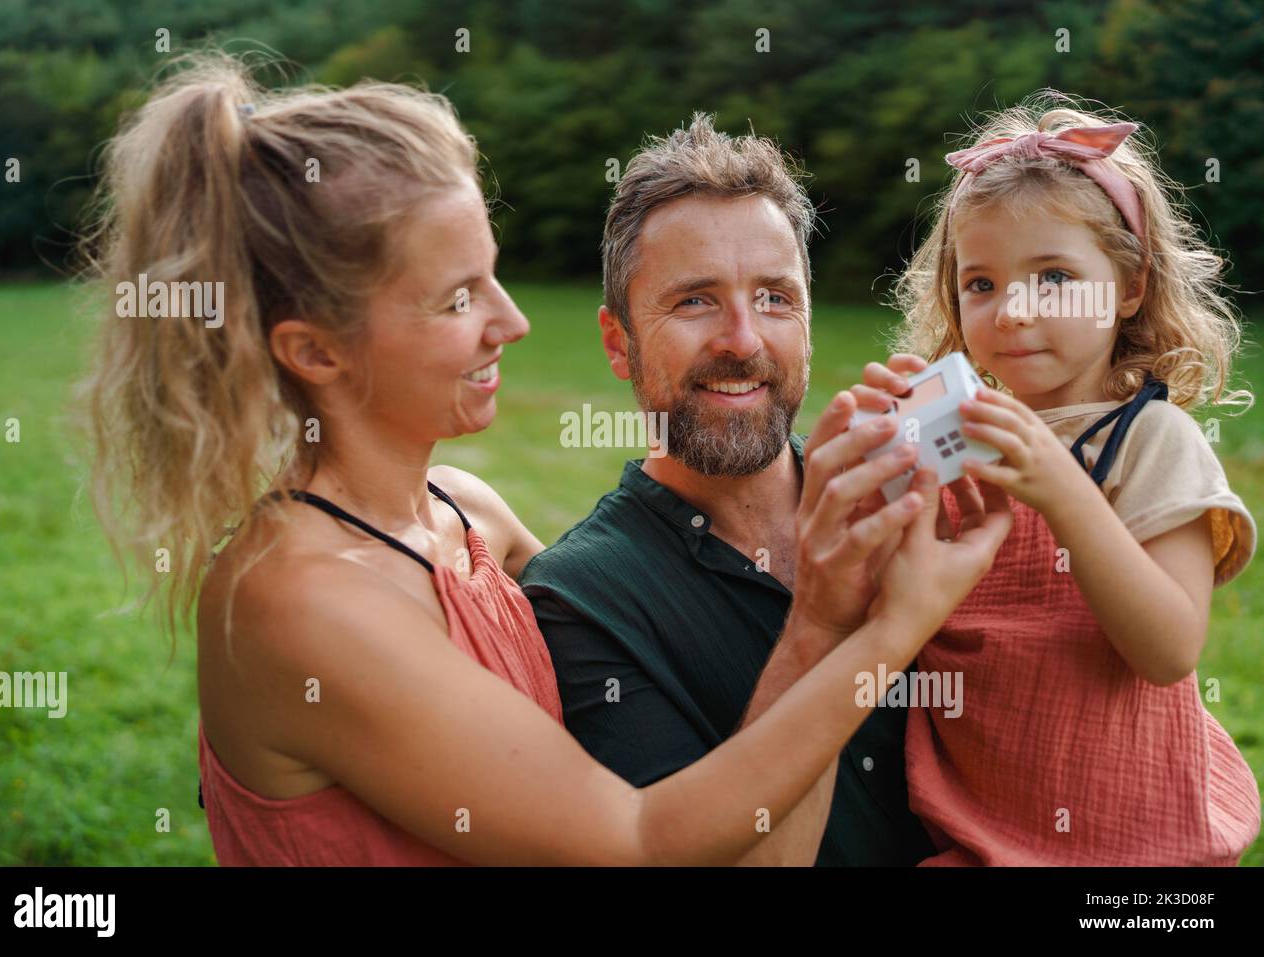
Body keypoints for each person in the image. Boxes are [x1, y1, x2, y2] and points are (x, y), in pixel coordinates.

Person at [80, 53, 1011, 866]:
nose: (513, 322)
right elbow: (641, 840)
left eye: (494, 272)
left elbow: (629, 584)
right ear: (315, 352)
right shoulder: (299, 600)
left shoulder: (462, 511)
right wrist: (879, 626)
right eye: (456, 299)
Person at [520, 114, 982, 864]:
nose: (743, 339)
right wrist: (821, 626)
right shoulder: (581, 601)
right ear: (617, 341)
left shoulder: (918, 497)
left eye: (774, 298)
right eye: (695, 300)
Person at [884, 92, 1259, 865]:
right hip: (975, 829)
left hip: (1134, 844)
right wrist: (881, 465)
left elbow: (1167, 648)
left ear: (1128, 286)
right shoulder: (958, 432)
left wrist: (1062, 489)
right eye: (980, 283)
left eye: (1052, 277)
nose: (1012, 311)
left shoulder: (1150, 439)